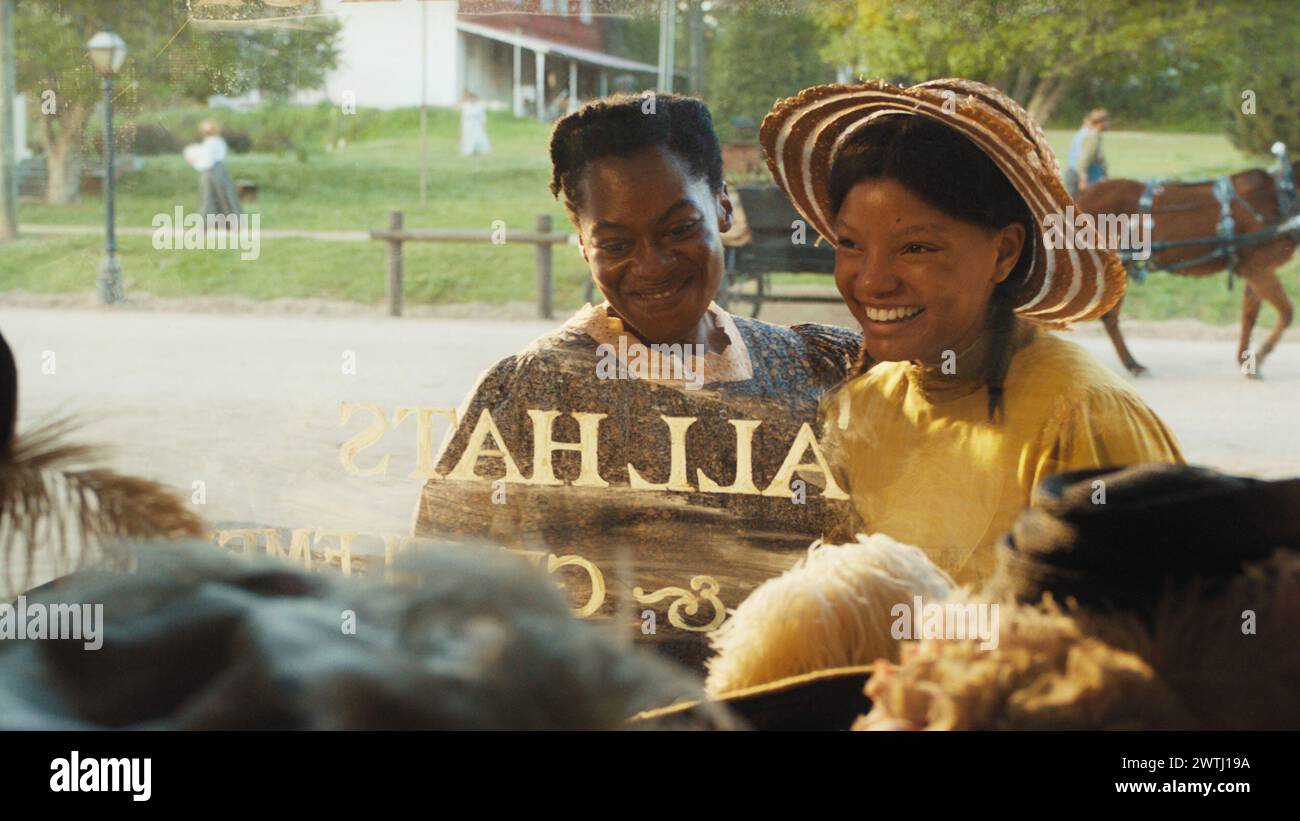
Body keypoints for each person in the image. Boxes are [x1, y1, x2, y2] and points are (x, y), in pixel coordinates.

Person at [411, 93, 861, 669]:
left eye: (678, 229)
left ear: (724, 208)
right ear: (583, 245)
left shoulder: (814, 367)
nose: (650, 265)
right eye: (616, 245)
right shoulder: (527, 394)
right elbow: (433, 608)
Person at [760, 79, 1183, 586]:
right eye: (850, 244)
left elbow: (1156, 643)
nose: (872, 280)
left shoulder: (1083, 417)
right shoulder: (860, 407)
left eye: (915, 248)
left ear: (1003, 252)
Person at [184, 120, 242, 219]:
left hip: (214, 169)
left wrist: (195, 163)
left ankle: (230, 223)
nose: (206, 132)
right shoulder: (209, 142)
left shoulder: (215, 142)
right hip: (210, 170)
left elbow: (208, 160)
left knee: (221, 196)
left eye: (208, 130)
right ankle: (211, 223)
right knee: (209, 197)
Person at [1064, 108, 1110, 198]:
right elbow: (1083, 160)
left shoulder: (1088, 134)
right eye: (1107, 121)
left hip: (1076, 174)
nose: (1108, 124)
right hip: (1079, 177)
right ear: (1100, 123)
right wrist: (1083, 180)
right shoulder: (1091, 137)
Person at [459, 92, 491, 157]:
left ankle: (476, 150)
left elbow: (483, 117)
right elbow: (463, 118)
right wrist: (461, 127)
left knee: (477, 136)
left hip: (476, 124)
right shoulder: (466, 106)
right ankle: (468, 151)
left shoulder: (479, 107)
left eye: (473, 98)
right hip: (468, 124)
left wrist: (483, 126)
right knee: (468, 137)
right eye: (471, 98)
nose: (472, 100)